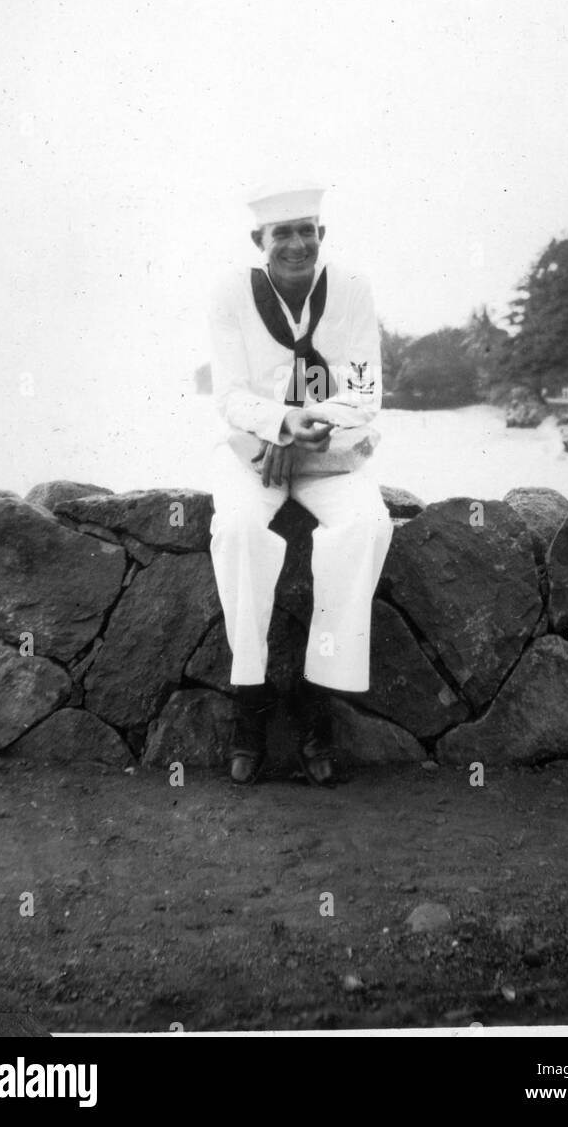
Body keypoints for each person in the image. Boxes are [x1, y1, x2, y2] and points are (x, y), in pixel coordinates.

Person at [205, 183, 393, 787]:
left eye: (306, 229)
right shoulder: (232, 294)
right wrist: (280, 426)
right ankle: (250, 701)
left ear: (322, 235)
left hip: (329, 452)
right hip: (257, 452)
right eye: (281, 232)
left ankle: (319, 698)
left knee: (365, 525)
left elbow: (363, 393)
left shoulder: (353, 291)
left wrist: (308, 426)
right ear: (258, 240)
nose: (295, 243)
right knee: (235, 528)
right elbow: (231, 394)